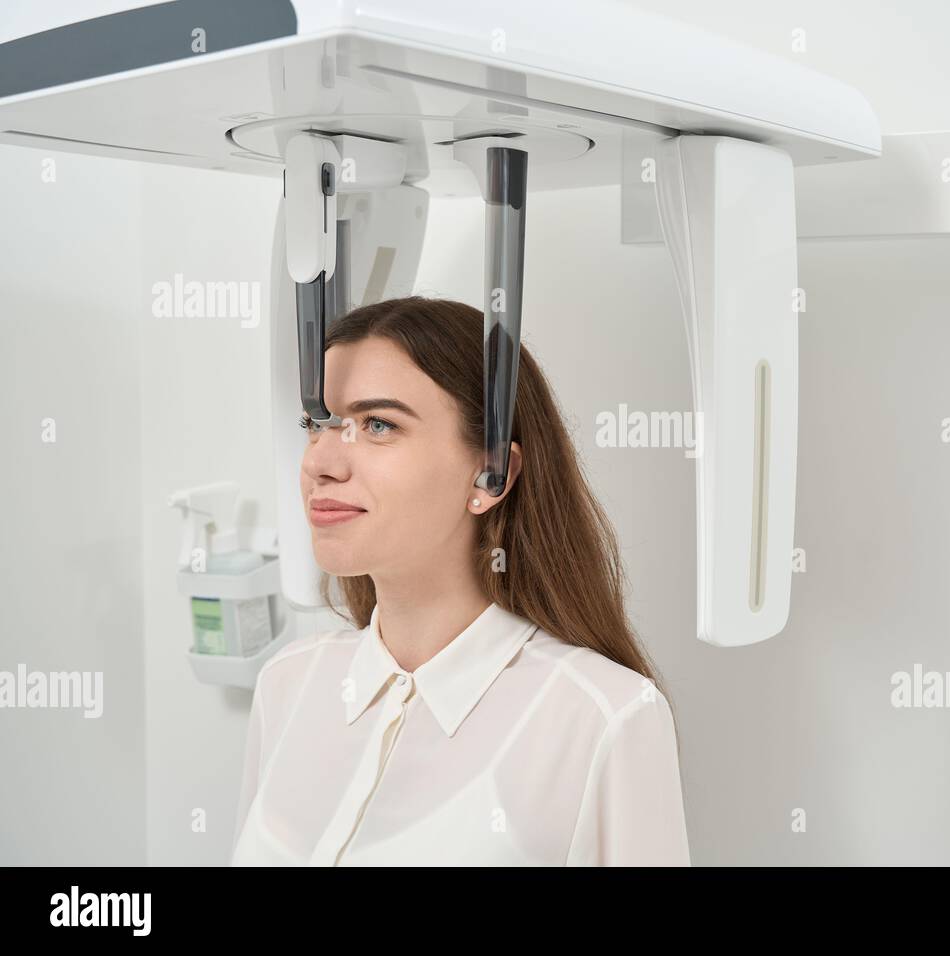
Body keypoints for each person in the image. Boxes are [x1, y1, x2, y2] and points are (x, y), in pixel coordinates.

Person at [230, 296, 689, 866]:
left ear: (492, 473)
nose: (321, 461)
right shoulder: (288, 684)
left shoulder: (602, 718)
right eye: (316, 423)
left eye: (378, 425)